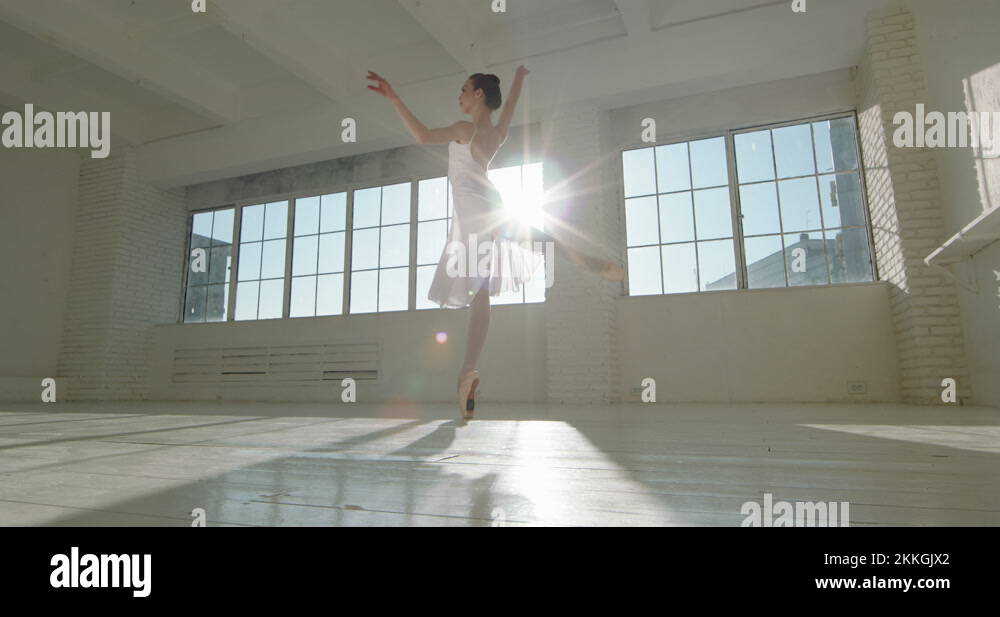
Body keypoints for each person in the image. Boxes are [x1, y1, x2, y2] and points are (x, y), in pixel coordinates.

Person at [367, 67, 623, 419]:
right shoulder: (497, 133)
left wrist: (394, 97)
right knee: (495, 274)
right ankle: (574, 257)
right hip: (492, 204)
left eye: (464, 89)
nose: (459, 95)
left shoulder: (464, 130)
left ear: (479, 96)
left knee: (482, 289)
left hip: (473, 211)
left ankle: (468, 369)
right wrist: (518, 80)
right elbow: (511, 106)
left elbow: (423, 136)